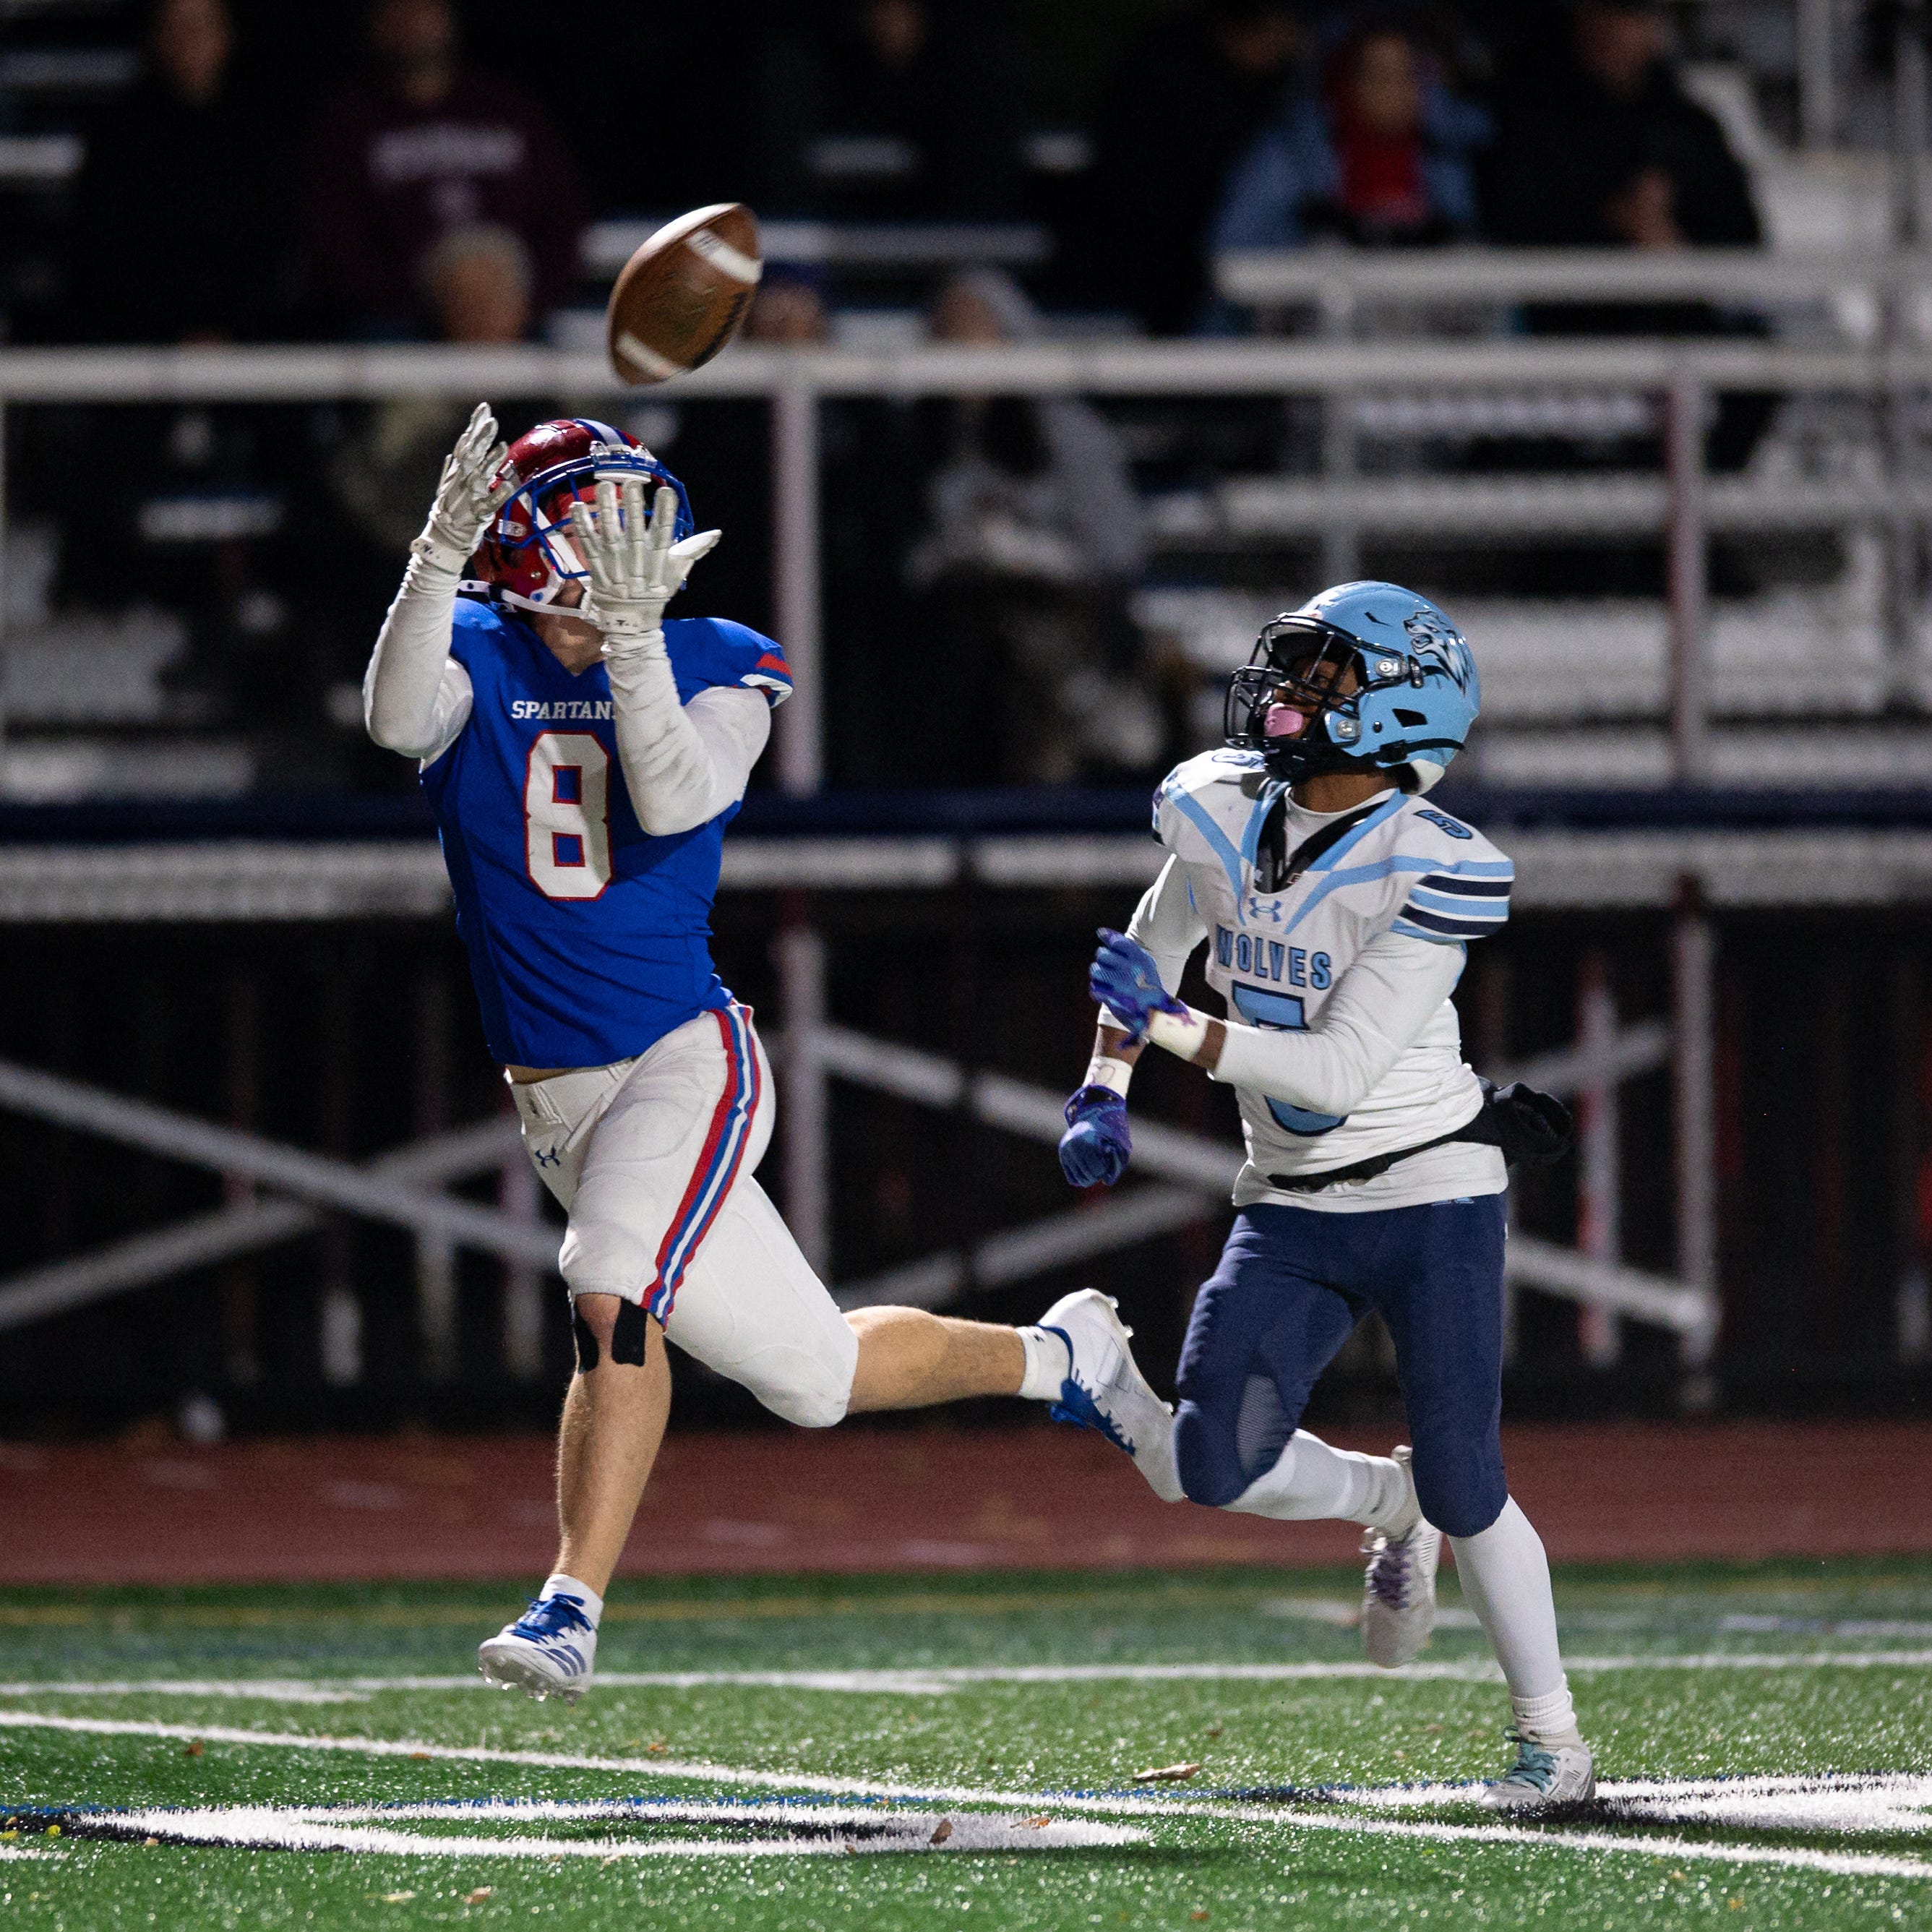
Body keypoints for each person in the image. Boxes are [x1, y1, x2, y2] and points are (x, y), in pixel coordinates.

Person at [361, 408, 1139, 1702]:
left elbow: (671, 796)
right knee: (814, 1378)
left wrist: (624, 647)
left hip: (681, 1053)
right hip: (557, 1098)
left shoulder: (714, 658)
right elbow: (392, 723)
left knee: (608, 1275)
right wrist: (429, 558)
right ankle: (1065, 1357)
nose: (608, 564)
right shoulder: (472, 648)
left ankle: (570, 1605)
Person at [1050, 582, 1594, 1811]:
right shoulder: (1222, 809)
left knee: (1468, 1471)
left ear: (1401, 710)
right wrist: (1102, 1082)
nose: (1289, 697)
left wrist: (1173, 1036)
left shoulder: (1425, 861)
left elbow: (1339, 1072)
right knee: (1209, 1459)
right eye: (1290, 670)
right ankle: (1384, 1500)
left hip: (1427, 1190)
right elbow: (1156, 946)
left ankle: (1550, 1740)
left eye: (1324, 679)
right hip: (1287, 1199)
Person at [299, 0, 583, 339]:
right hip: (403, 323)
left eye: (426, 7)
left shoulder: (508, 109)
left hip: (521, 318)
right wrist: (430, 297)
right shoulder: (347, 125)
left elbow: (563, 215)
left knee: (580, 365)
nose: (415, 19)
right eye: (399, 9)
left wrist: (527, 298)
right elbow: (334, 243)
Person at [67, 0, 288, 343]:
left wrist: (229, 327)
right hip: (141, 339)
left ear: (226, 37)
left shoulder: (261, 134)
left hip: (247, 339)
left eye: (201, 26)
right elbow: (107, 249)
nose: (189, 40)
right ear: (156, 38)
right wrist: (171, 331)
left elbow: (271, 246)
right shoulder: (120, 135)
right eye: (176, 26)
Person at [1083, 0, 1307, 335]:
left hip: (1231, 285)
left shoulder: (1284, 104)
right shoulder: (1166, 71)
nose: (1290, 46)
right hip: (1157, 277)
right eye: (1279, 34)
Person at [1211, 21, 1487, 253]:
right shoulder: (1292, 154)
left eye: (1408, 75)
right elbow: (1230, 250)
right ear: (1349, 83)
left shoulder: (1450, 155)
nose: (1395, 90)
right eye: (1380, 75)